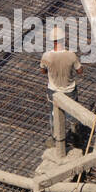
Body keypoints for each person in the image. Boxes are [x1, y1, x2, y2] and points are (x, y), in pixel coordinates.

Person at [39, 24, 82, 152]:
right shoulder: (71, 55)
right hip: (69, 90)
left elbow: (42, 70)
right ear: (64, 40)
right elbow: (79, 71)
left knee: (54, 115)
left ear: (53, 41)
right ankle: (76, 138)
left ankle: (55, 139)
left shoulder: (47, 56)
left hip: (53, 90)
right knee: (73, 114)